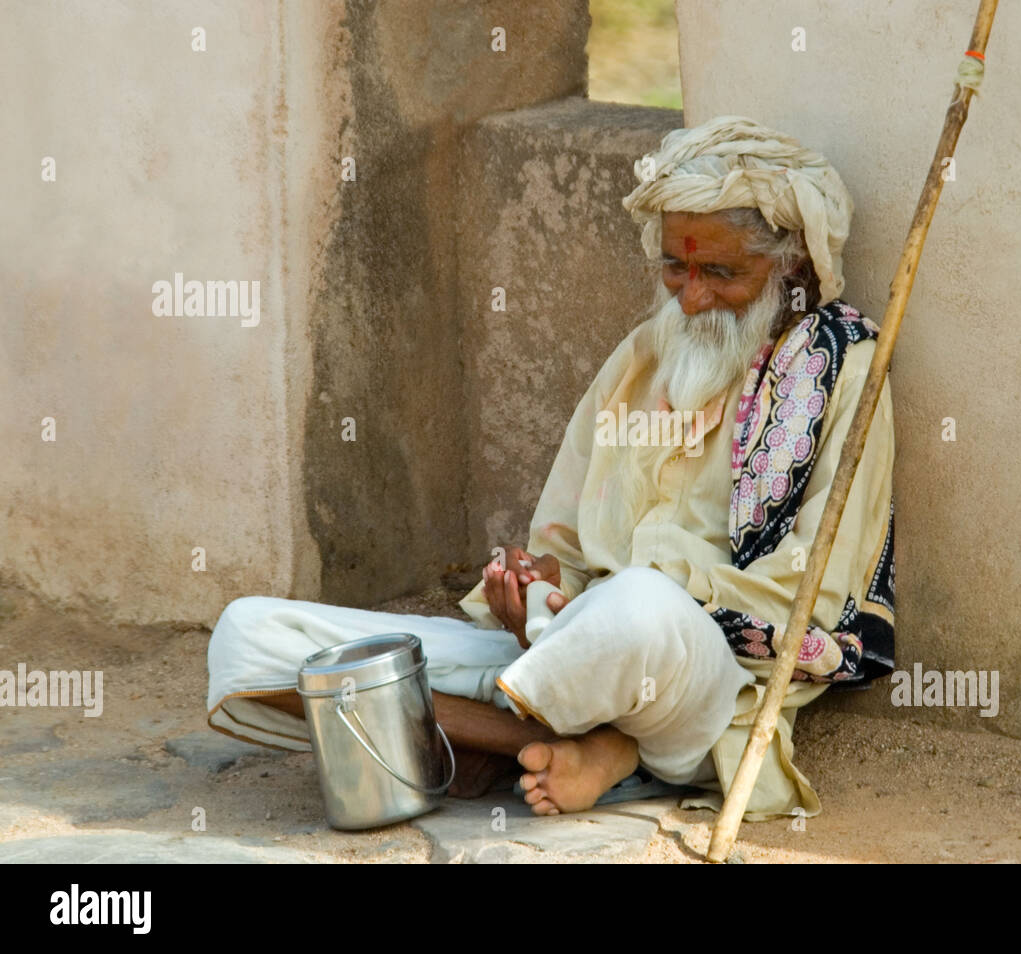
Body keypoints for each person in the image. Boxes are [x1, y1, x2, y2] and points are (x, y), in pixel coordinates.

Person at [206, 114, 897, 821]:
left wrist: (628, 599)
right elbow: (561, 546)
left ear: (793, 268)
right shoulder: (644, 357)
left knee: (638, 608)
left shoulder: (841, 373)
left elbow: (817, 601)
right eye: (675, 267)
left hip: (697, 677)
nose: (691, 297)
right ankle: (569, 741)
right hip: (566, 645)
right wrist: (531, 592)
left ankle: (554, 735)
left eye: (720, 272)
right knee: (252, 635)